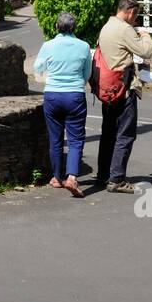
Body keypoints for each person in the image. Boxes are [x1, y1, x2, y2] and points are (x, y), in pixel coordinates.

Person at [95, 0, 152, 192]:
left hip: (107, 88)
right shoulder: (124, 29)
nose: (135, 19)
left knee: (108, 134)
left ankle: (104, 175)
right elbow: (146, 51)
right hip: (123, 89)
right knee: (125, 135)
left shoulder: (107, 26)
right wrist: (144, 34)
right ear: (129, 12)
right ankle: (117, 179)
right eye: (135, 15)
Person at [34, 11, 92, 198]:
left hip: (53, 94)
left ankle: (57, 178)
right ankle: (72, 177)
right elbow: (87, 74)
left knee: (55, 138)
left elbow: (38, 68)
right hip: (75, 94)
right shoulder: (84, 46)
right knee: (76, 139)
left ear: (56, 27)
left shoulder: (48, 45)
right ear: (74, 28)